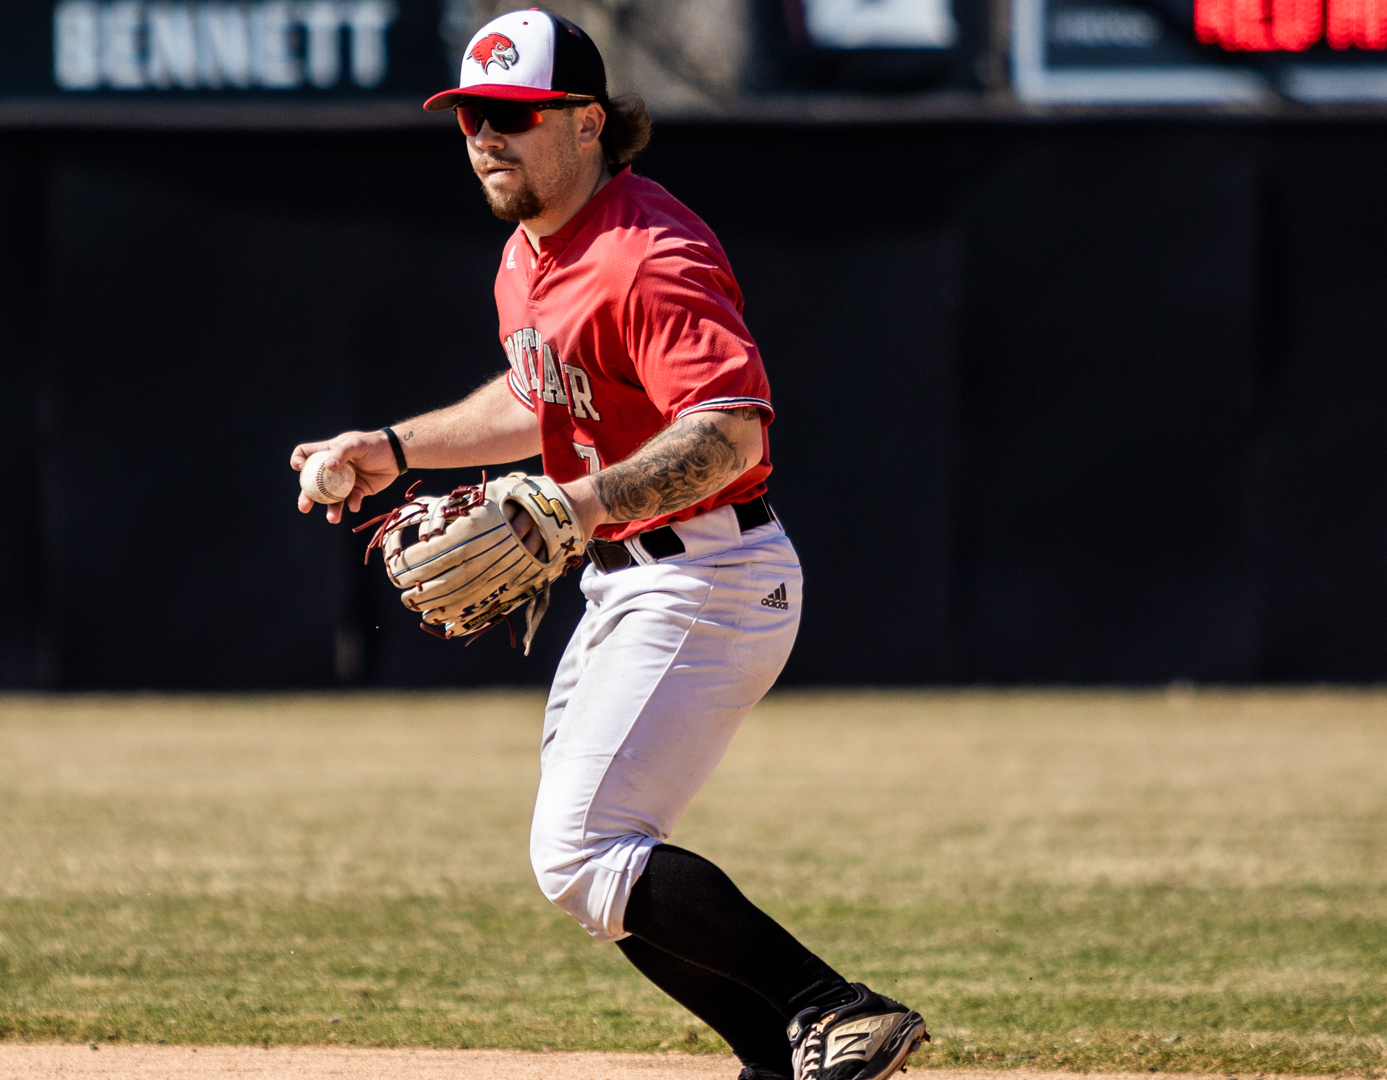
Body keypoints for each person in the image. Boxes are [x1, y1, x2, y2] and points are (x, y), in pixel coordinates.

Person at [289, 11, 928, 1080]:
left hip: (710, 574)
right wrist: (398, 448)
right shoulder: (528, 257)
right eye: (469, 118)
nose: (485, 136)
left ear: (589, 123)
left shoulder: (648, 253)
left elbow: (730, 430)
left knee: (582, 850)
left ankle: (831, 1009)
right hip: (630, 583)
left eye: (512, 116)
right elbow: (542, 398)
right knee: (588, 863)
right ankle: (782, 1051)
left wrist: (574, 509)